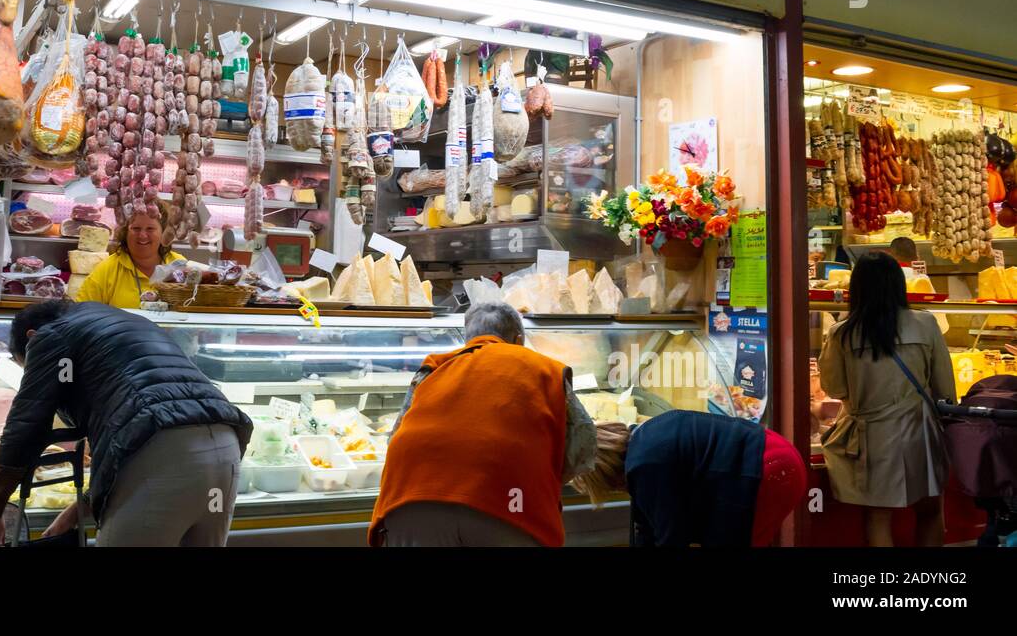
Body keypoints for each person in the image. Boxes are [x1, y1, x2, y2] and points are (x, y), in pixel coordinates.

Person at [0, 299, 252, 547]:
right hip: (224, 447)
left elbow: (24, 427)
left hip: (161, 448)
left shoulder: (48, 336)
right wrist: (73, 516)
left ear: (31, 338)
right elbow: (136, 448)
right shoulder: (119, 321)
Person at [368, 302, 597, 547]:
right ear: (518, 339)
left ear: (467, 339)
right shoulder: (544, 368)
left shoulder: (434, 368)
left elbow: (394, 439)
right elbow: (584, 444)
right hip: (508, 502)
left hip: (408, 502)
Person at [818, 250, 956, 546]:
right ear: (898, 284)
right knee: (930, 510)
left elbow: (835, 388)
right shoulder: (926, 323)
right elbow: (945, 389)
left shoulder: (842, 333)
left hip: (873, 437)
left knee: (878, 516)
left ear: (857, 288)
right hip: (921, 432)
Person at [572, 412, 807, 546]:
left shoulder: (646, 466)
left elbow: (671, 537)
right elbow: (645, 527)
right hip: (774, 454)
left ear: (608, 475)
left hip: (771, 470)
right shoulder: (641, 441)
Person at [72, 198, 184, 308]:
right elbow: (80, 312)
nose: (142, 235)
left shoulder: (179, 265)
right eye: (136, 228)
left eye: (150, 229)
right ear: (125, 232)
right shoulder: (108, 269)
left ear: (163, 232)